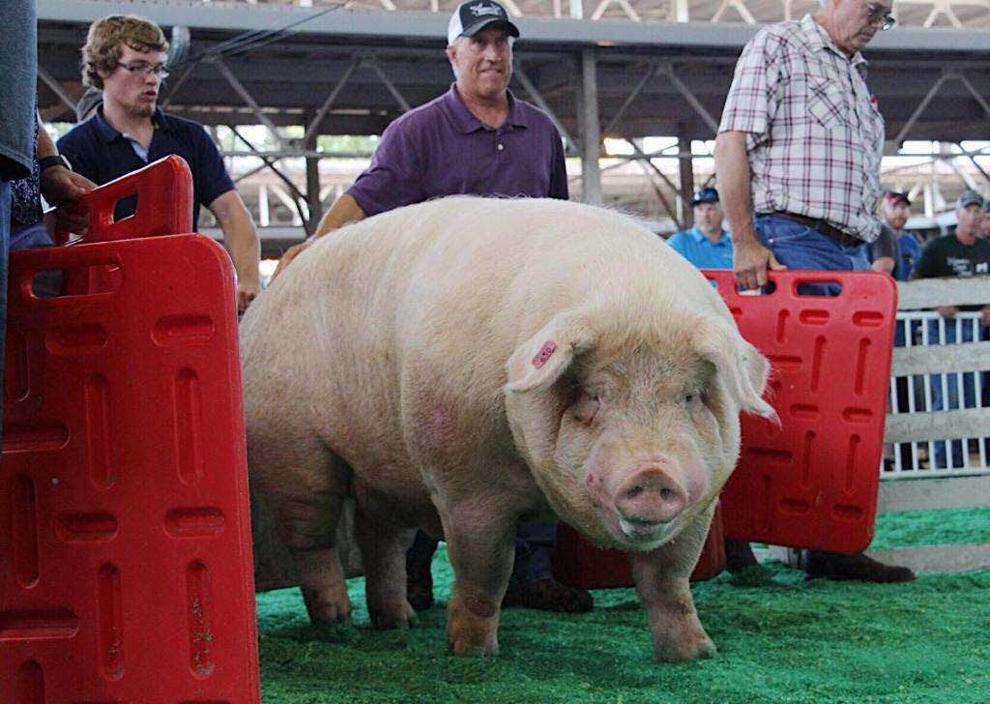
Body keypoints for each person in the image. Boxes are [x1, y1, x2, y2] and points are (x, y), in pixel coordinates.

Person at [274, 0, 587, 614]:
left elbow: (562, 222)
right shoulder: (417, 131)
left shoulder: (542, 132)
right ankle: (415, 573)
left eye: (502, 42)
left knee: (537, 426)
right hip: (445, 325)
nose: (493, 54)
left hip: (523, 315)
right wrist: (313, 248)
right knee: (434, 443)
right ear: (453, 55)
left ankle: (533, 570)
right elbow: (368, 198)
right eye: (479, 43)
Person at [715, 0, 914, 582]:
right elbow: (731, 142)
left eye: (886, 16)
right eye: (872, 9)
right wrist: (745, 239)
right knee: (785, 394)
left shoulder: (857, 75)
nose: (877, 22)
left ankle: (824, 538)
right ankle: (742, 537)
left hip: (845, 250)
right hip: (789, 236)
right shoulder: (779, 45)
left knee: (834, 404)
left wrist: (876, 243)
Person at [56, 15, 261, 313]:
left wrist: (249, 280)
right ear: (102, 69)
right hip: (111, 303)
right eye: (138, 67)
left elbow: (231, 213)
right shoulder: (74, 150)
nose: (151, 79)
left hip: (182, 294)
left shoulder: (191, 138)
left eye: (158, 68)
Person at [911, 190, 990, 469]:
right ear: (957, 214)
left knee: (971, 396)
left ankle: (969, 464)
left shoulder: (986, 249)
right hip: (942, 329)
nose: (972, 215)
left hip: (976, 330)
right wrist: (936, 304)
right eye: (967, 210)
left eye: (977, 210)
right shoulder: (937, 248)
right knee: (947, 395)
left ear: (983, 215)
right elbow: (915, 284)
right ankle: (945, 463)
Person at [667, 187, 734, 269]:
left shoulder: (735, 245)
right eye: (700, 209)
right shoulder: (678, 243)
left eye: (710, 209)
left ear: (723, 212)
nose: (705, 215)